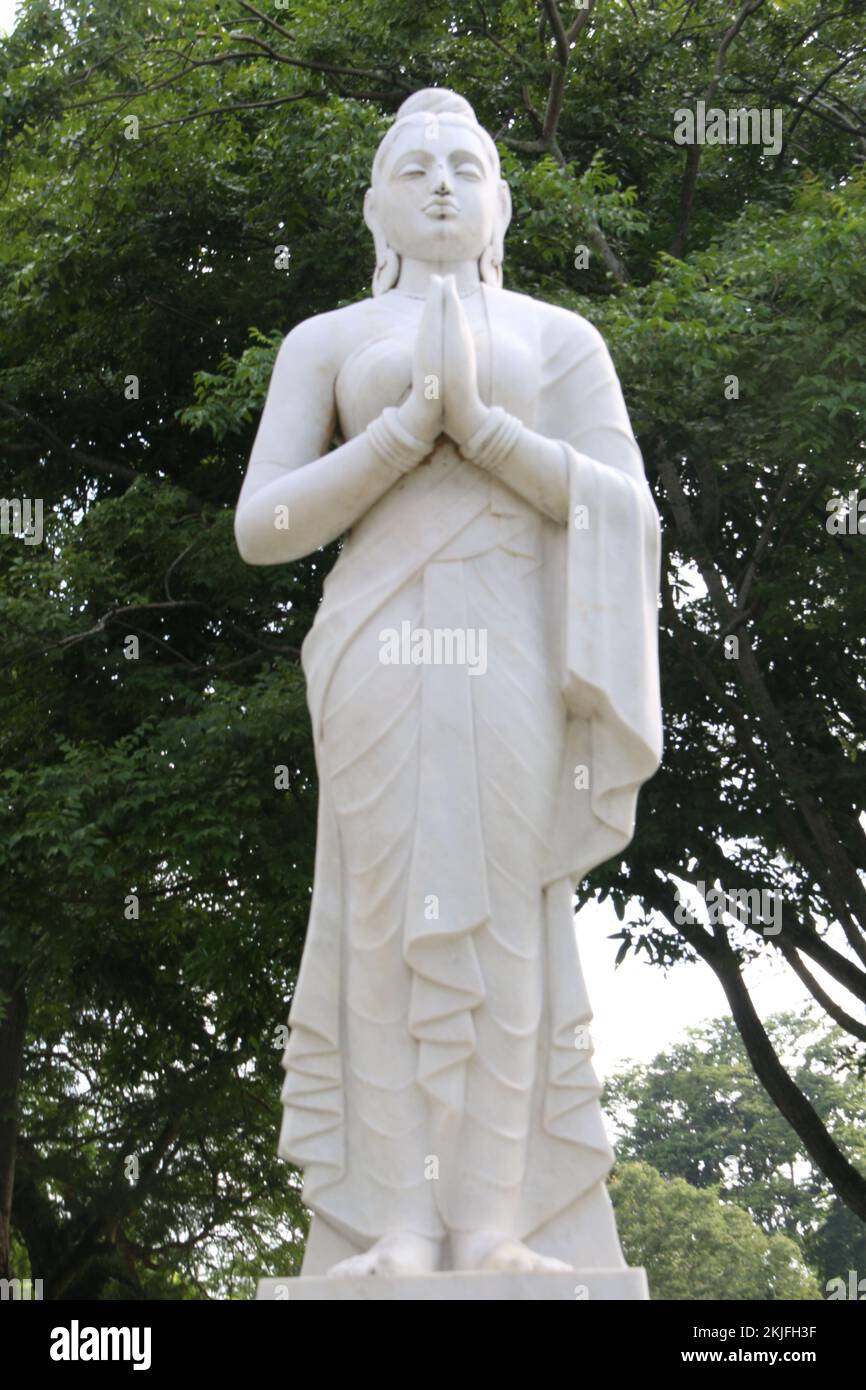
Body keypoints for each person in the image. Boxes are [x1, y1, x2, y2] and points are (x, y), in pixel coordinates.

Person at [234, 88, 662, 1278]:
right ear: (375, 207)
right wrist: (393, 437)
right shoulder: (324, 341)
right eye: (412, 167)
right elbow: (262, 523)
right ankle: (395, 1227)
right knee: (383, 929)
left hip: (514, 644)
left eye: (464, 166)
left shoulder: (560, 338)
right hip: (373, 647)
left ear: (499, 204)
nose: (438, 183)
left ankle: (491, 1223)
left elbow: (623, 506)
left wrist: (482, 430)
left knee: (504, 923)